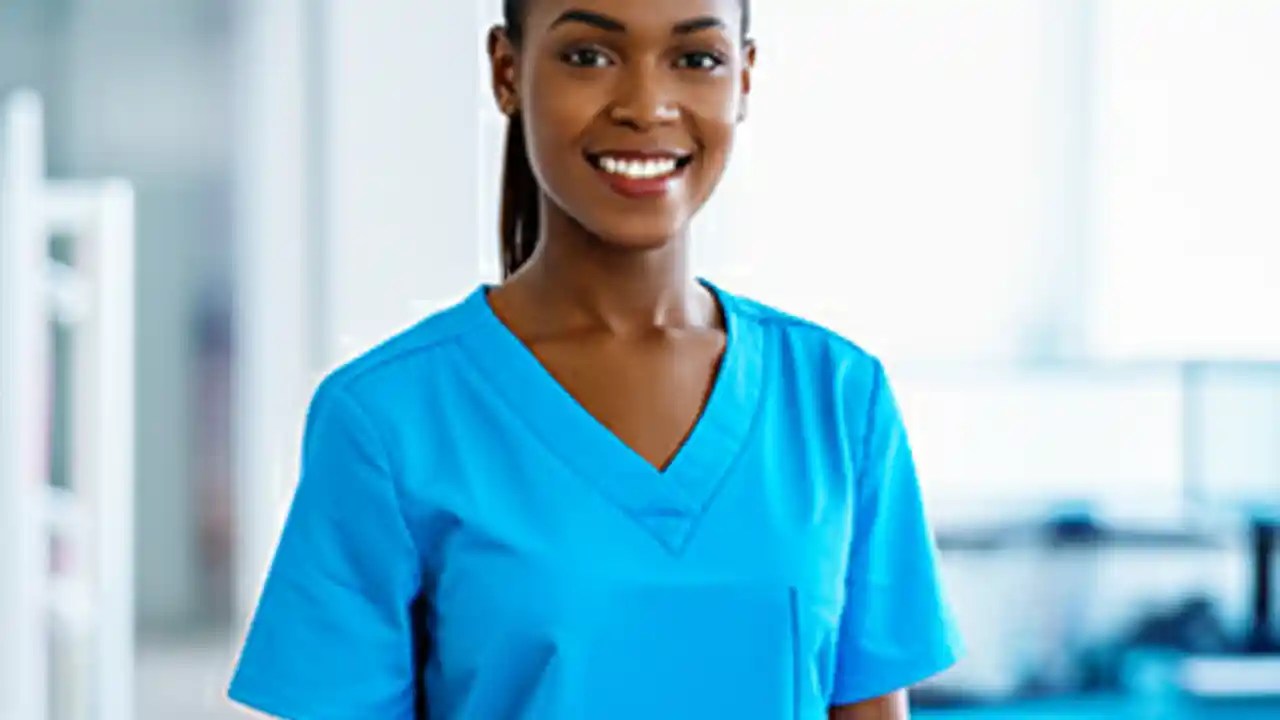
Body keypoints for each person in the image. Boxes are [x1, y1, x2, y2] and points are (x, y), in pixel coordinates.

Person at [226, 1, 963, 718]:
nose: (647, 104)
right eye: (589, 56)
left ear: (743, 78)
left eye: (696, 58)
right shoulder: (387, 421)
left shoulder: (838, 398)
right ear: (507, 71)